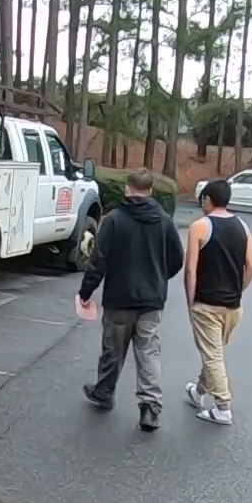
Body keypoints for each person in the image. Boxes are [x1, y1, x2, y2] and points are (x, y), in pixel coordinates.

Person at [79, 169, 185, 431]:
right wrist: (159, 276)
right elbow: (177, 258)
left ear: (128, 188)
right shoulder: (163, 221)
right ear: (150, 191)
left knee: (113, 350)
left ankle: (104, 392)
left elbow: (98, 261)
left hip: (120, 298)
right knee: (148, 352)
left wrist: (85, 292)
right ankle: (150, 408)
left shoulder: (115, 220)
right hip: (151, 300)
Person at [182, 178, 252, 425]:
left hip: (207, 304)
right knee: (213, 352)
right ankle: (198, 392)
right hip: (234, 307)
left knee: (213, 355)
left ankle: (223, 407)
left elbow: (190, 270)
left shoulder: (200, 227)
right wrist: (238, 290)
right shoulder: (243, 227)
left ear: (207, 199)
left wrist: (190, 302)